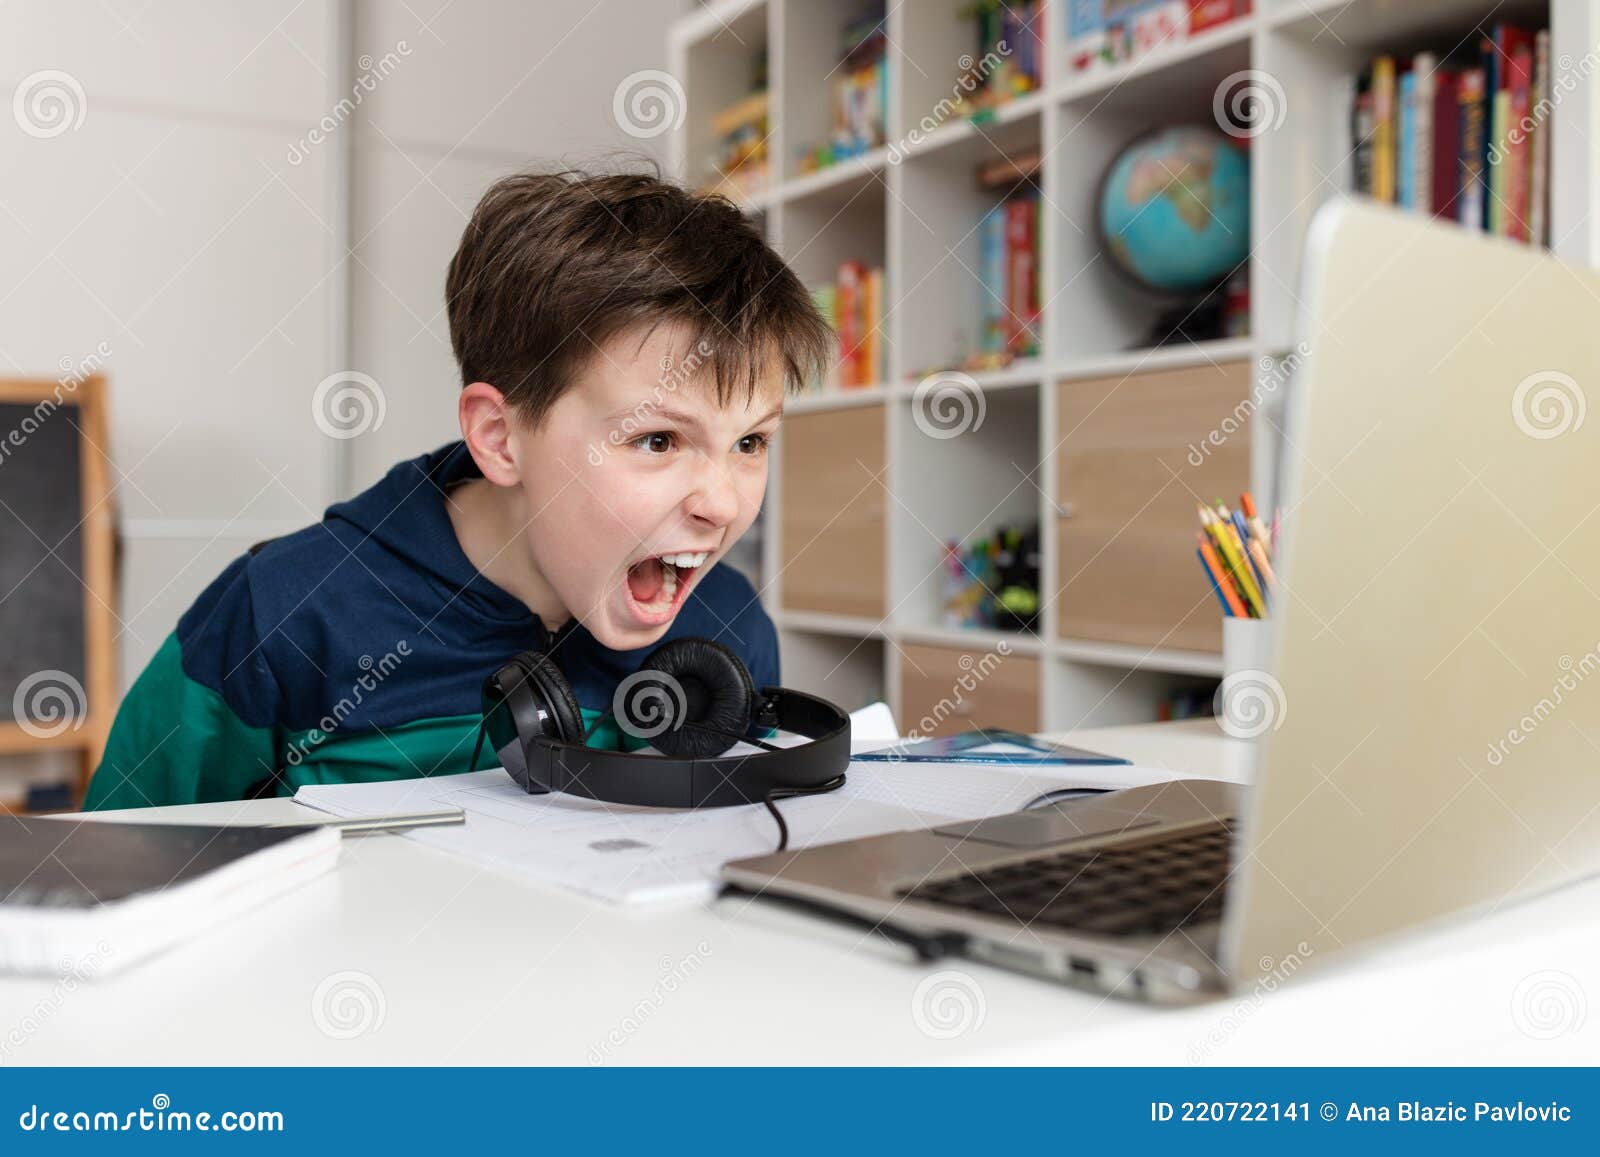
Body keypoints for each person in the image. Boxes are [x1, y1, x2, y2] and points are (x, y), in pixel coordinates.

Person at [83, 168, 831, 809]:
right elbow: (107, 876)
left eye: (750, 442)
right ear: (501, 438)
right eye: (658, 440)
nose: (723, 504)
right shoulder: (278, 615)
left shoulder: (729, 629)